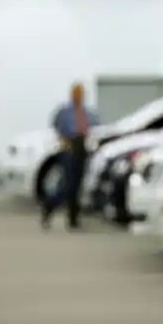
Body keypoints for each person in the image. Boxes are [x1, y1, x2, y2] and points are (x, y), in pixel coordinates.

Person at [42, 82, 99, 230]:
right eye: (76, 93)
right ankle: (50, 205)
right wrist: (63, 140)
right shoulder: (64, 111)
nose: (79, 96)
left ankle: (73, 218)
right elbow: (55, 125)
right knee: (68, 184)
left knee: (77, 186)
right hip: (69, 148)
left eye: (81, 93)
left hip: (82, 148)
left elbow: (96, 127)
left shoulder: (88, 112)